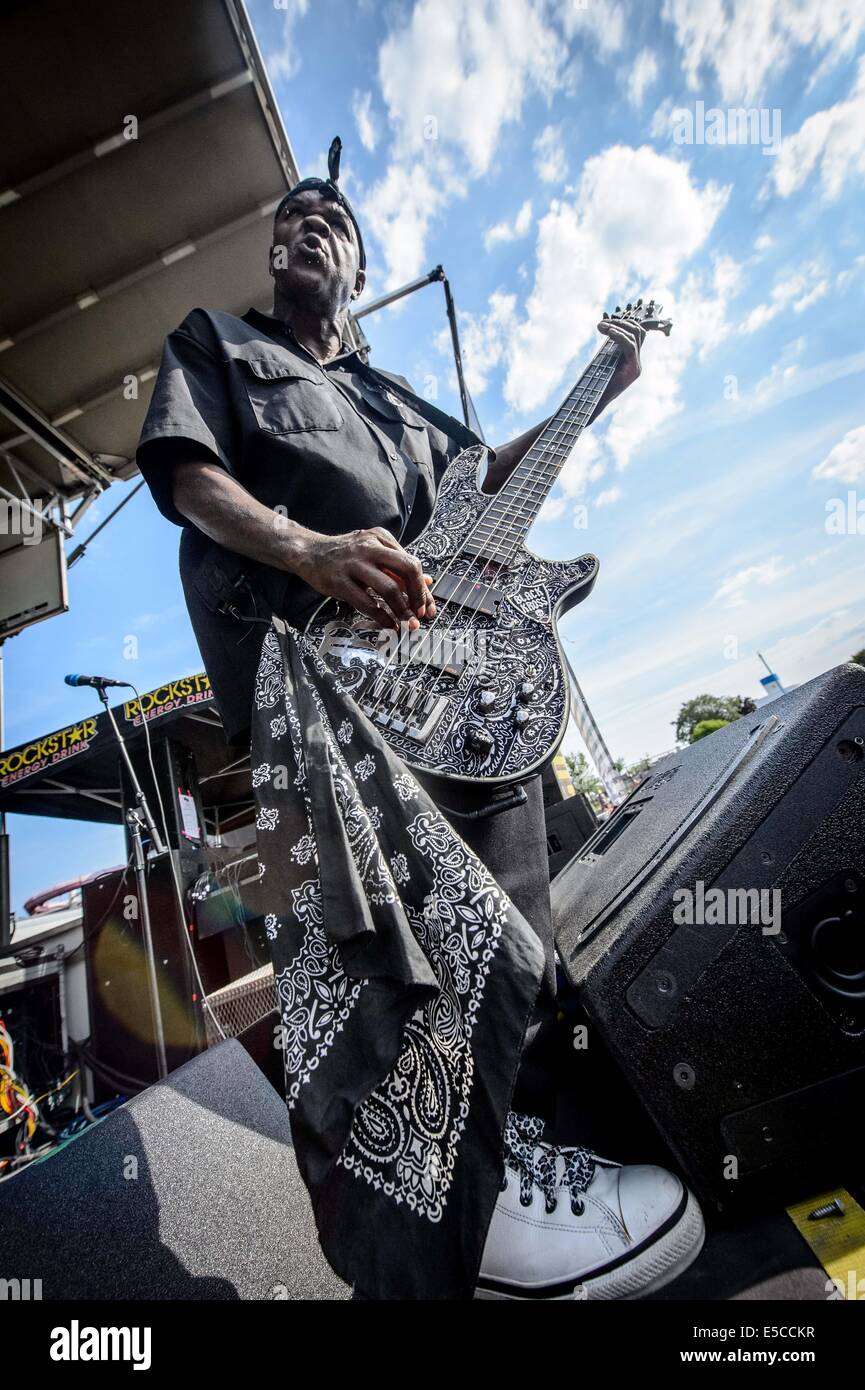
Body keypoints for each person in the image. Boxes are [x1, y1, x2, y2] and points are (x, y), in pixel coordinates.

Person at [136, 138, 704, 1299]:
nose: (307, 227)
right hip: (319, 693)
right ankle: (457, 1220)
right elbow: (190, 476)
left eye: (331, 222)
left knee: (525, 924)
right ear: (272, 250)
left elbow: (485, 478)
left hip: (466, 677)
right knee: (382, 958)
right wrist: (311, 546)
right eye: (291, 215)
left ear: (355, 264)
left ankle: (534, 1165)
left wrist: (591, 386)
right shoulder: (219, 343)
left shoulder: (394, 395)